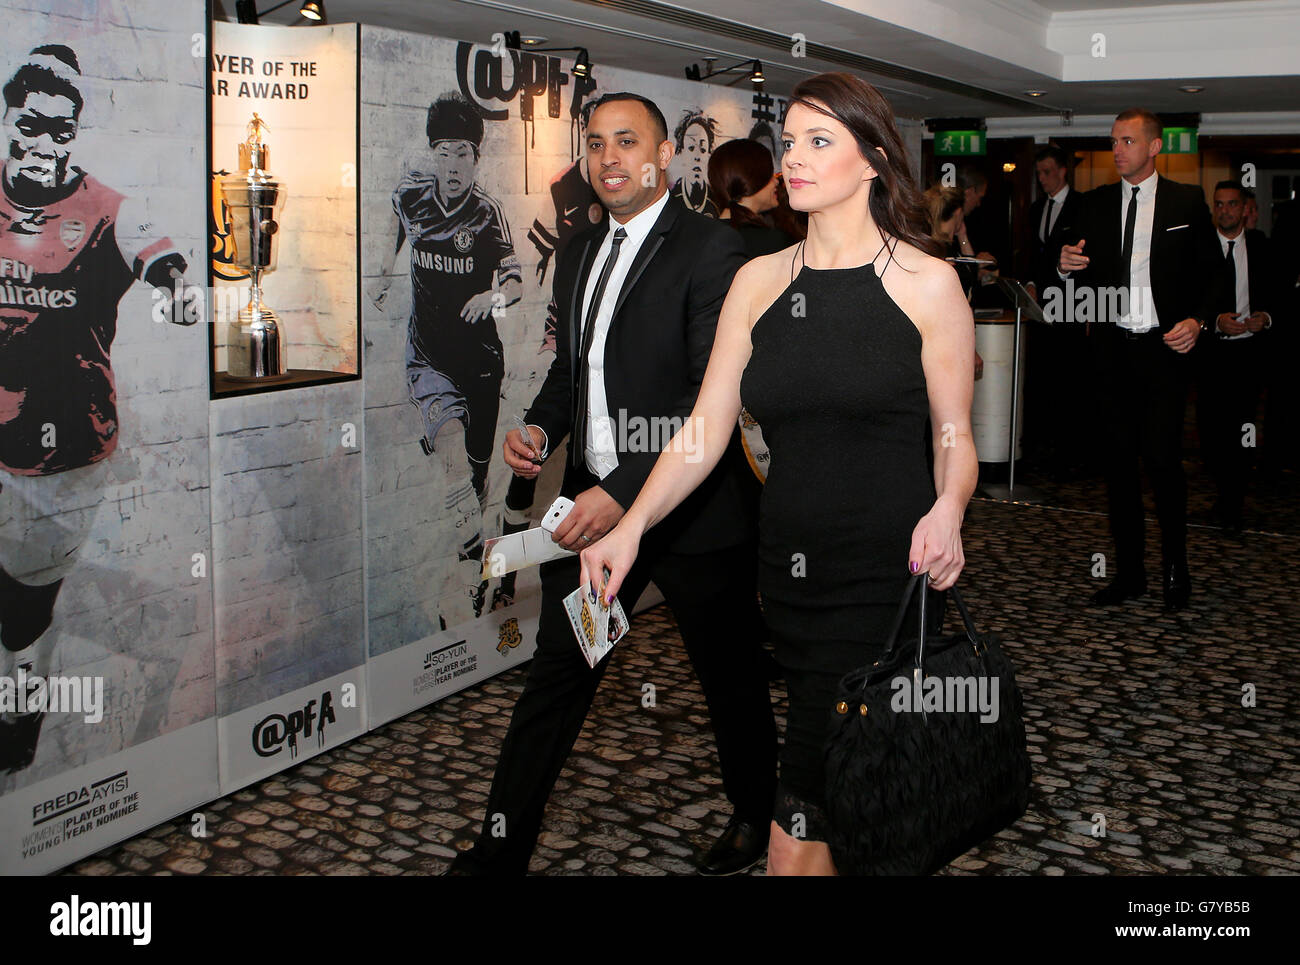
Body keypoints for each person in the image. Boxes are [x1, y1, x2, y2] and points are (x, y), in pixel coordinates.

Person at [580, 72, 978, 876]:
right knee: (856, 801)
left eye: (819, 141)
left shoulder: (928, 283)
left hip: (886, 573)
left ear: (871, 160)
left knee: (801, 813)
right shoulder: (758, 282)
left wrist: (950, 505)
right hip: (792, 574)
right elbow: (703, 429)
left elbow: (954, 433)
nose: (793, 158)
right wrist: (631, 525)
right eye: (789, 141)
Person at [447, 91, 778, 876]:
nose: (609, 158)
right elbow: (572, 371)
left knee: (729, 680)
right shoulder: (583, 250)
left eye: (627, 142)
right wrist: (538, 428)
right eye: (595, 143)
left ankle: (759, 815)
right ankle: (498, 853)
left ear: (665, 155)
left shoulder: (711, 251)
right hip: (596, 512)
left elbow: (709, 398)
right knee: (557, 677)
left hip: (694, 518)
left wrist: (628, 488)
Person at [0, 45, 201, 773]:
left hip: (65, 449)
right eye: (30, 123)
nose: (42, 143)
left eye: (59, 130)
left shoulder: (105, 207)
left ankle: (18, 719)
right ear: (8, 116)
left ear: (73, 135)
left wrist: (179, 290)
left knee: (22, 605)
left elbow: (161, 257)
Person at [1058, 107, 1219, 612]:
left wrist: (1198, 321)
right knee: (1119, 468)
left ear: (1154, 147)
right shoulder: (1095, 204)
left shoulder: (1186, 201)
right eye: (1114, 141)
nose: (1118, 149)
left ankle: (1176, 569)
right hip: (1112, 353)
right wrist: (1063, 268)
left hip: (1163, 350)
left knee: (1164, 463)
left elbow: (1212, 277)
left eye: (1128, 140)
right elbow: (1070, 268)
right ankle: (1130, 574)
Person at [370, 92, 523, 620]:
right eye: (444, 152)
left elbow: (516, 281)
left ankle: (478, 565)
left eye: (463, 153)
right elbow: (391, 240)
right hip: (428, 359)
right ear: (432, 154)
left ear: (476, 159)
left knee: (476, 478)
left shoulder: (487, 213)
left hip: (480, 363)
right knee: (455, 462)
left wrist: (493, 296)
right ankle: (469, 577)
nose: (453, 164)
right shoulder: (410, 199)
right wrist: (381, 282)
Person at [1199, 179, 1281, 532]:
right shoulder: (1199, 249)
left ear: (1246, 209)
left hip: (1249, 355)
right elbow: (1187, 297)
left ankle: (1234, 502)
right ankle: (1223, 494)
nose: (1225, 211)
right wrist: (1216, 321)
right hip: (1212, 354)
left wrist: (1267, 317)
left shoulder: (1263, 247)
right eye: (1219, 204)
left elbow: (1279, 296)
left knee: (1244, 429)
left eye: (1232, 204)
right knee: (1212, 432)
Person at [1026, 144, 1087, 475]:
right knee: (1042, 378)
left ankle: (1070, 451)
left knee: (1069, 379)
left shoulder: (1081, 207)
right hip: (1041, 308)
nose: (1042, 178)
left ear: (1063, 171)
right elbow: (1036, 255)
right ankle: (1041, 446)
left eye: (1048, 172)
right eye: (1038, 173)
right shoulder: (1037, 209)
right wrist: (1031, 282)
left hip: (1070, 307)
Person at [924, 185, 983, 380]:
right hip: (949, 344)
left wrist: (963, 236)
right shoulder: (945, 256)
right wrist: (971, 349)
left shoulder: (935, 248)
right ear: (958, 212)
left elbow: (971, 272)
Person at [708, 137, 798, 258]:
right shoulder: (772, 243)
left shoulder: (702, 237)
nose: (776, 181)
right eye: (769, 174)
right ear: (753, 179)